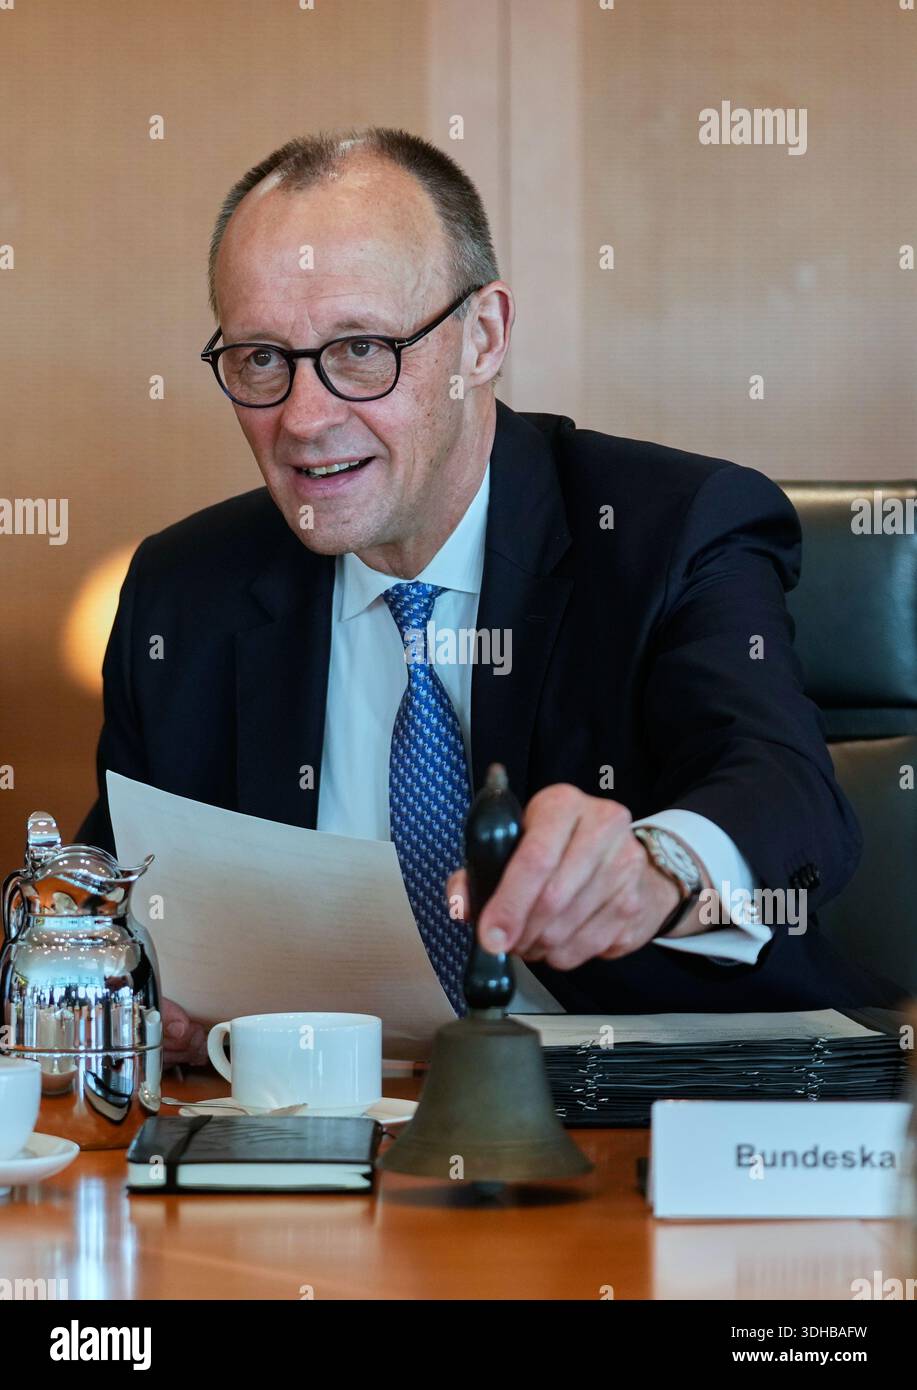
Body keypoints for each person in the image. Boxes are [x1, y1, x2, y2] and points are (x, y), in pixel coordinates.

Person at [76, 127, 873, 1070]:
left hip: (651, 1108)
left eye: (361, 349)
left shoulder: (669, 527)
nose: (302, 418)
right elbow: (111, 896)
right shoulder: (184, 592)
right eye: (259, 360)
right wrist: (135, 986)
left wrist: (661, 866)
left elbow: (782, 789)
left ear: (482, 338)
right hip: (318, 1129)